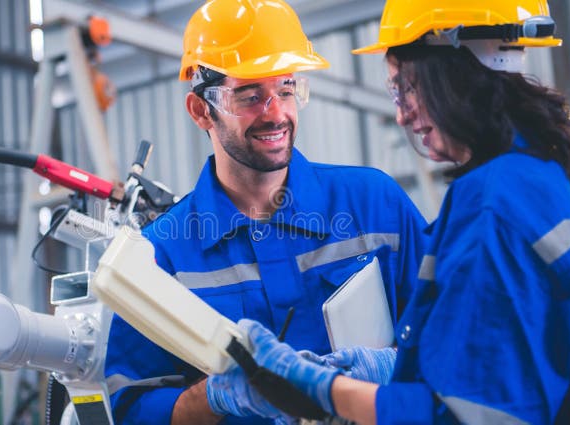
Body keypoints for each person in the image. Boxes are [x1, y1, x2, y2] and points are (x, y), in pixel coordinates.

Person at [209, 0, 570, 423]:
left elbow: (461, 415)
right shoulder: (534, 177)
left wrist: (318, 387)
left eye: (406, 87)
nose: (400, 113)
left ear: (453, 72)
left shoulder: (491, 205)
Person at [103, 0, 429, 424]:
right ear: (201, 110)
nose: (276, 113)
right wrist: (216, 396)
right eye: (251, 96)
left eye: (286, 90)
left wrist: (390, 365)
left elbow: (455, 340)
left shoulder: (375, 205)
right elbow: (130, 410)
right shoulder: (160, 256)